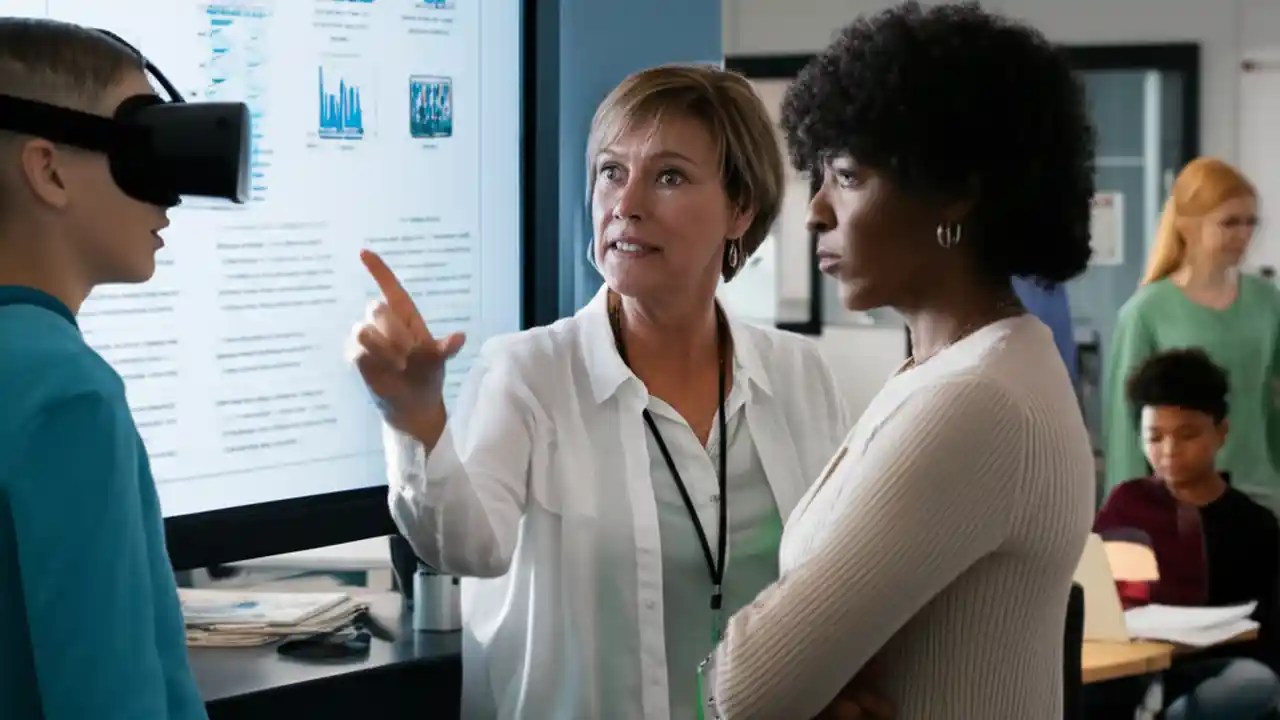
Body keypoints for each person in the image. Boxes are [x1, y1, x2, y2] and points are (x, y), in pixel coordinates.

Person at [349, 65, 858, 719]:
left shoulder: (799, 376)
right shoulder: (528, 372)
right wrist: (413, 413)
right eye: (612, 171)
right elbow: (466, 546)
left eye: (668, 176)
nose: (627, 203)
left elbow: (838, 581)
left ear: (740, 209)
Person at [696, 4, 1096, 718]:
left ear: (956, 190)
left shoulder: (979, 399)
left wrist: (810, 682)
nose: (815, 211)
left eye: (846, 177)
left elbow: (747, 689)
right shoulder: (946, 368)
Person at [0, 18, 206, 720]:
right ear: (49, 170)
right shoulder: (67, 391)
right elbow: (109, 698)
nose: (168, 196)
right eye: (144, 147)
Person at [1093, 348, 1280, 719]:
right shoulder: (1124, 506)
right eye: (1155, 436)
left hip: (1215, 672)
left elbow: (1270, 635)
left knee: (1253, 682)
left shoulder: (1254, 525)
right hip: (1128, 669)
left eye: (1187, 435)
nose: (1169, 451)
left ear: (1221, 432)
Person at [1103, 157, 1280, 514]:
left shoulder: (1267, 302)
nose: (1243, 234)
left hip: (1260, 495)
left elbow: (1271, 405)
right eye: (1229, 222)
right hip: (1177, 505)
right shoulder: (1146, 312)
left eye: (1250, 222)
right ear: (1186, 225)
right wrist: (1122, 520)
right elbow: (1125, 428)